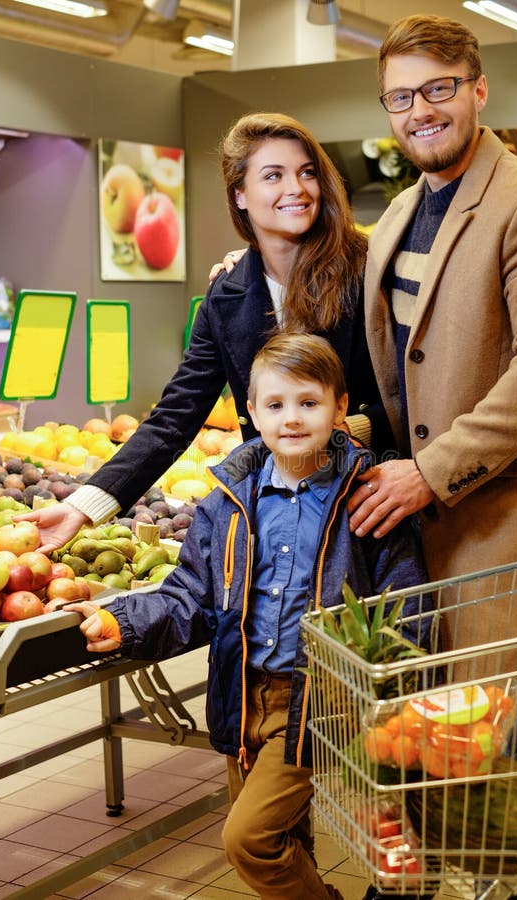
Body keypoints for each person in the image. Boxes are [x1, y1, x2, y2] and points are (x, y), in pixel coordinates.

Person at [68, 333, 432, 900]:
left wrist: (395, 686)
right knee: (286, 838)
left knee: (248, 840)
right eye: (275, 404)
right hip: (240, 695)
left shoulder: (365, 495)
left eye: (309, 403)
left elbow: (404, 600)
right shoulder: (225, 505)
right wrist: (125, 621)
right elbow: (190, 594)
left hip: (316, 699)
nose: (291, 419)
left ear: (340, 408)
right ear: (252, 413)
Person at [342, 14, 517, 658]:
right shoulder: (400, 213)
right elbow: (409, 368)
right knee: (420, 733)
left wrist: (430, 472)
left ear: (478, 91)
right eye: (400, 97)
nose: (419, 111)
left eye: (440, 89)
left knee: (495, 735)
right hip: (412, 531)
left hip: (505, 525)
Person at [18, 112, 391, 553]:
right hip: (277, 515)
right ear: (240, 196)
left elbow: (417, 389)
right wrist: (85, 506)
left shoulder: (368, 269)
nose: (297, 189)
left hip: (370, 502)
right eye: (274, 176)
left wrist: (353, 428)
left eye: (307, 172)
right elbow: (176, 415)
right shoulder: (227, 294)